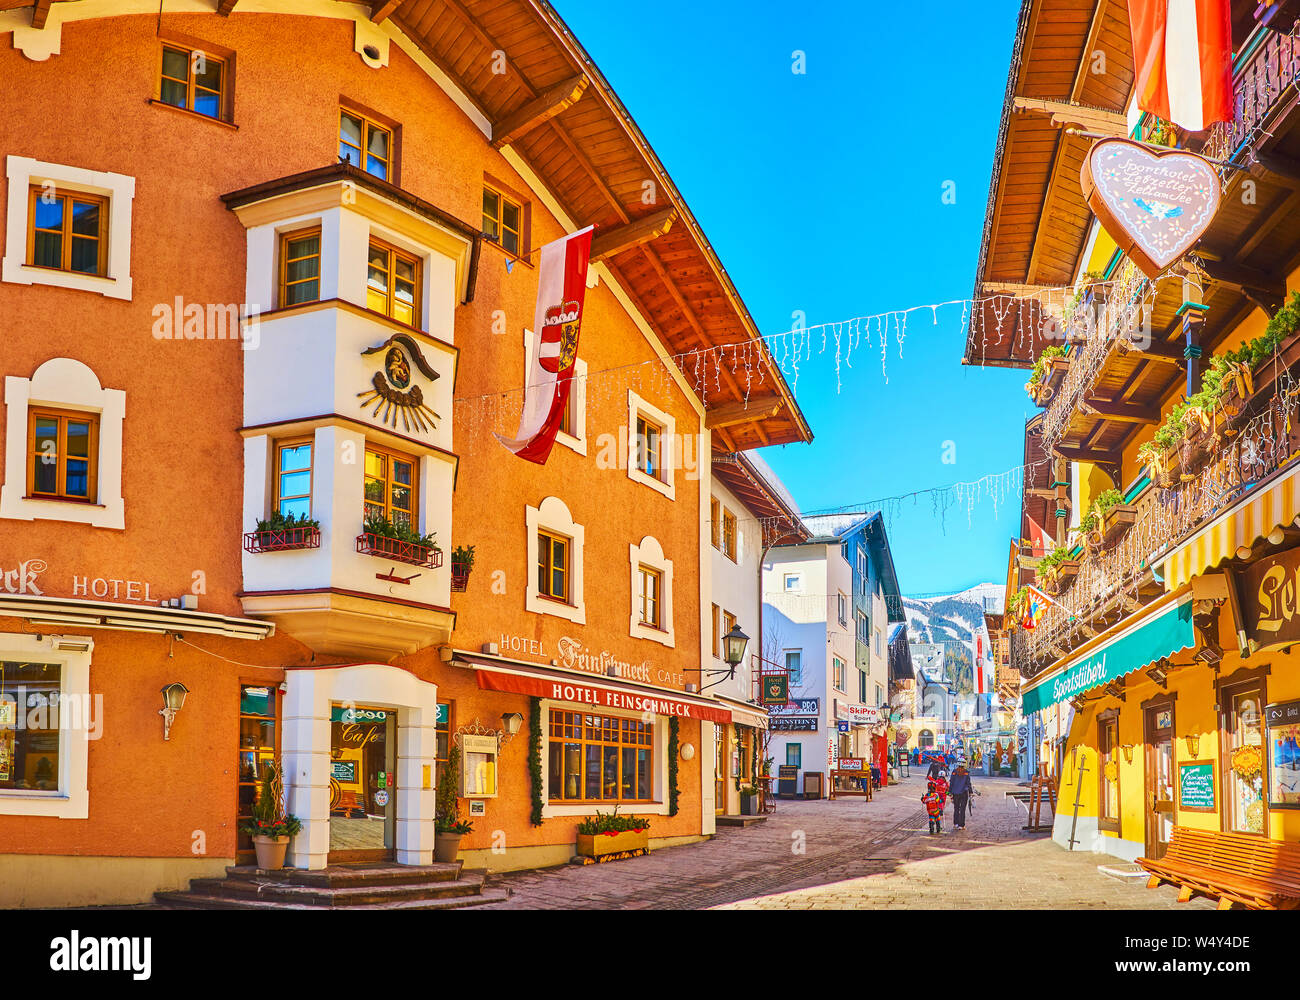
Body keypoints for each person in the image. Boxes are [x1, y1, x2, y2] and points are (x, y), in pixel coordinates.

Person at [950, 764, 975, 830]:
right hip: (964, 793)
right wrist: (971, 792)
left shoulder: (954, 772)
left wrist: (950, 792)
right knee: (962, 809)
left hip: (955, 793)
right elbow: (968, 783)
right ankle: (961, 825)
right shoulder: (966, 772)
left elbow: (951, 782)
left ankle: (956, 824)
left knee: (956, 808)